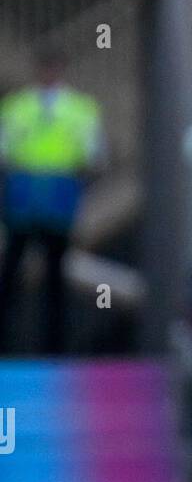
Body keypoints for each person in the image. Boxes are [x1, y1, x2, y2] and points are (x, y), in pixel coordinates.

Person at [0, 46, 104, 353]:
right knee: (12, 268)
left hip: (59, 191)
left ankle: (54, 346)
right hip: (24, 189)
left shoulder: (81, 109)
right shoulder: (17, 106)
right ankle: (6, 342)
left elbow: (93, 155)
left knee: (56, 271)